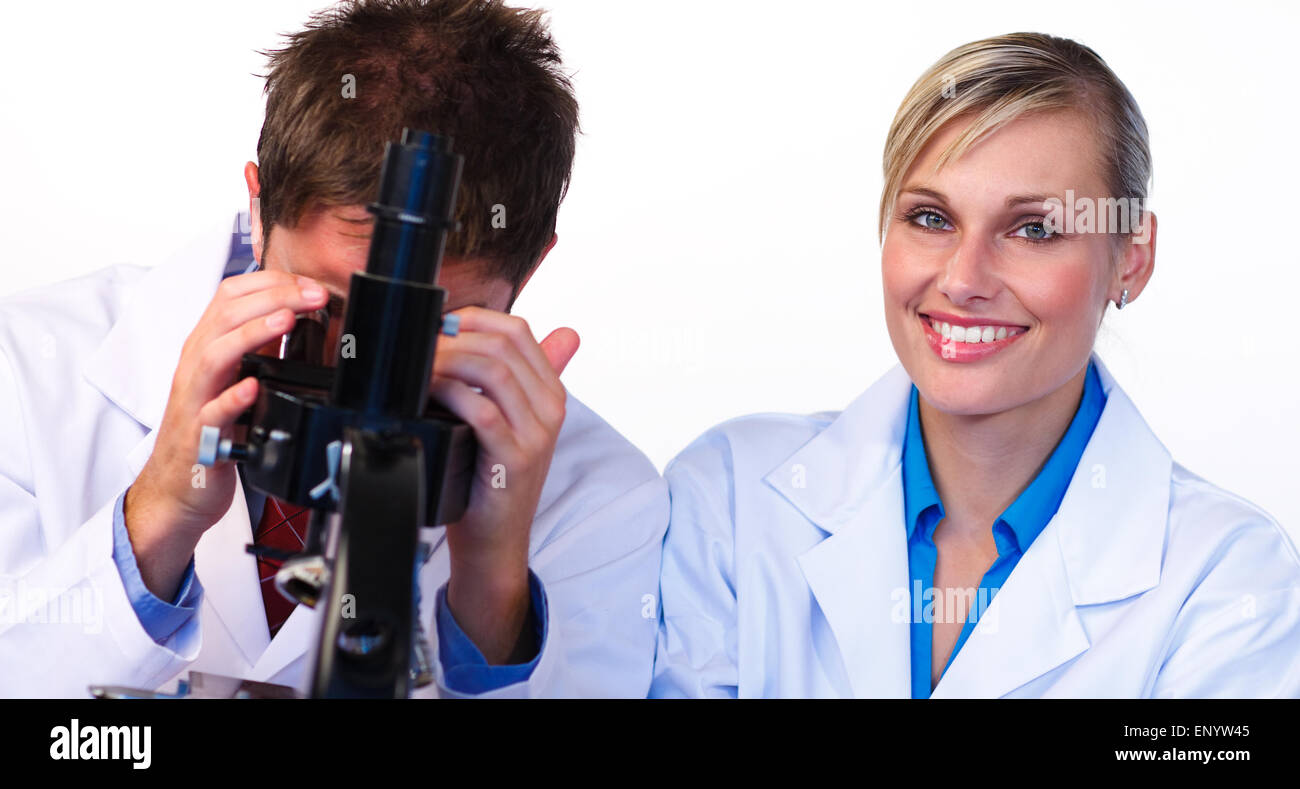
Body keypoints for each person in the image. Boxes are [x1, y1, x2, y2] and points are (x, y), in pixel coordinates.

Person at [0, 0, 666, 698]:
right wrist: (156, 515)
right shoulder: (28, 371)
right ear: (259, 208)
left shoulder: (601, 497)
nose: (363, 364)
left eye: (425, 329)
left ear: (527, 273)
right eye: (330, 305)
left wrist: (492, 588)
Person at [651, 32, 1300, 698]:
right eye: (931, 217)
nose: (963, 280)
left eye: (1034, 229)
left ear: (1131, 257)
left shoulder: (1227, 579)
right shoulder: (730, 498)